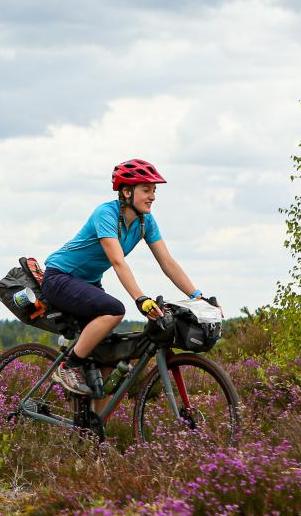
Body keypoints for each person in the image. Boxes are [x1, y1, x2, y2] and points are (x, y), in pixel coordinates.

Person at [41, 159, 208, 401]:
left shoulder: (145, 222)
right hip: (59, 277)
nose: (152, 196)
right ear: (127, 192)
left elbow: (167, 262)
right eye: (146, 190)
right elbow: (118, 262)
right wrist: (140, 299)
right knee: (114, 310)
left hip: (87, 283)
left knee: (108, 355)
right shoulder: (106, 214)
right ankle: (68, 367)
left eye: (154, 191)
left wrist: (197, 296)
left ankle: (95, 432)